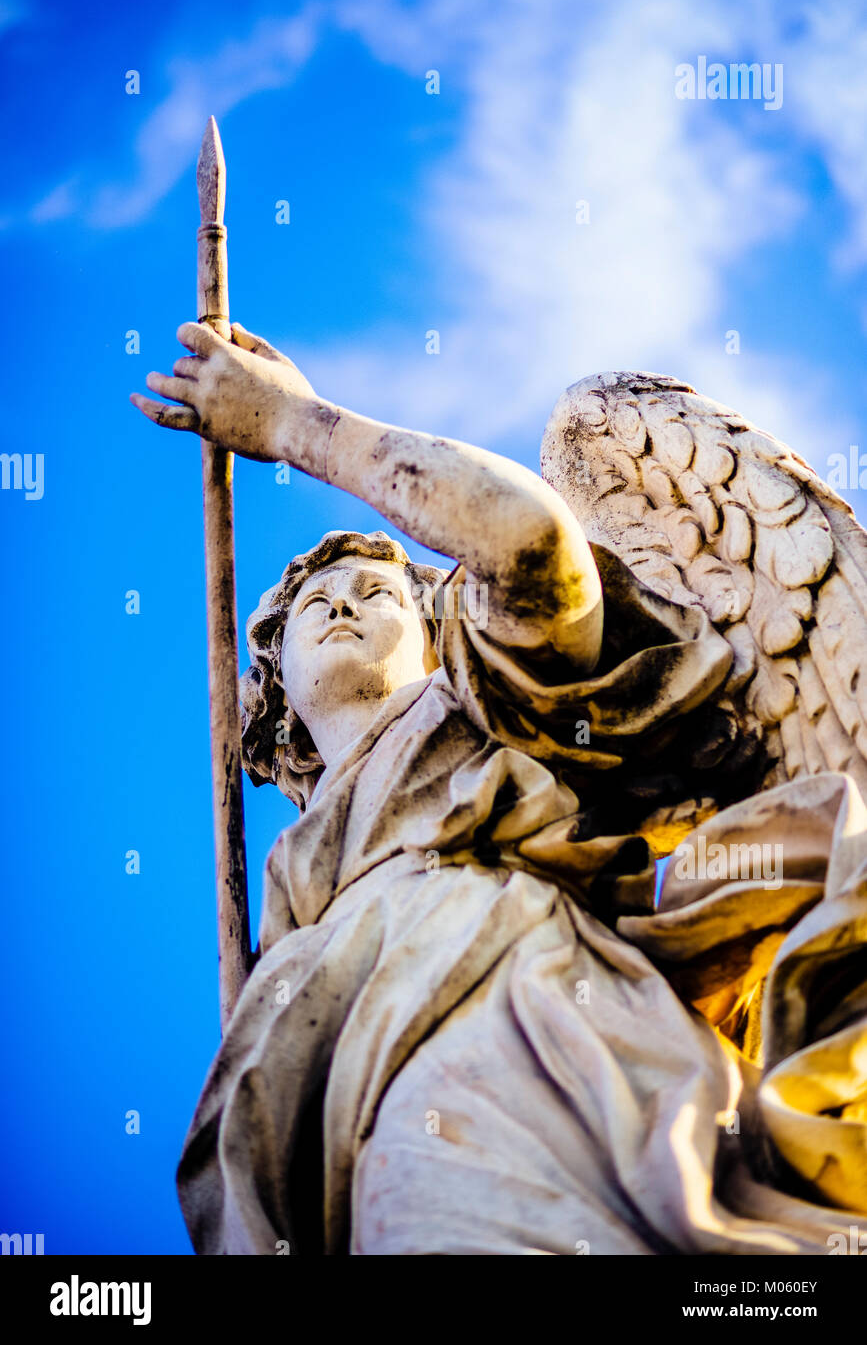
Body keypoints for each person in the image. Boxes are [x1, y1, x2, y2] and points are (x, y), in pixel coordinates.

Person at [131, 323, 867, 1255]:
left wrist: (290, 427)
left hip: (516, 1026)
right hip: (337, 1107)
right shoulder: (292, 875)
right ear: (274, 712)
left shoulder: (490, 700)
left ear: (439, 631)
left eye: (378, 593)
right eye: (316, 608)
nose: (344, 605)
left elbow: (527, 540)